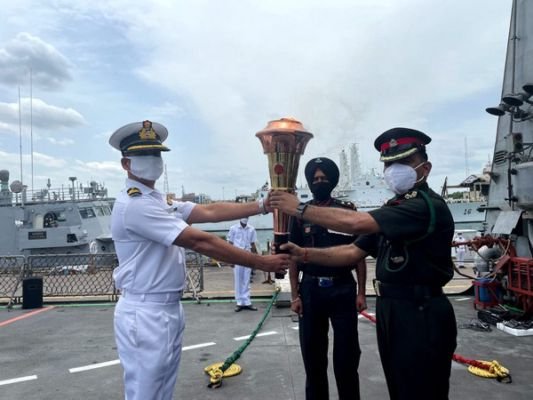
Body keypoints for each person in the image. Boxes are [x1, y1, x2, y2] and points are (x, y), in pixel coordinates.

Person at [270, 127, 457, 400]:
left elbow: (357, 223)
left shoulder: (424, 206)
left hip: (421, 310)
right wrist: (303, 254)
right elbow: (351, 252)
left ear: (425, 168)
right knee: (400, 385)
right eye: (389, 164)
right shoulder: (394, 208)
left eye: (403, 162)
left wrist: (298, 208)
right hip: (391, 308)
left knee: (422, 389)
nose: (394, 170)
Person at [108, 120, 289, 400]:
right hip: (145, 311)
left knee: (161, 389)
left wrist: (263, 205)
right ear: (126, 164)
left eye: (156, 154)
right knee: (147, 392)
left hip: (163, 308)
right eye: (144, 156)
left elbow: (209, 211)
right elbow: (200, 241)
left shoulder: (157, 200)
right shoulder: (136, 204)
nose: (153, 161)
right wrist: (263, 263)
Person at [289, 157, 367, 400]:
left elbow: (359, 255)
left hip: (343, 288)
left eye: (323, 179)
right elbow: (292, 256)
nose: (319, 182)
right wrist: (294, 295)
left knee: (347, 357)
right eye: (315, 179)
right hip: (311, 290)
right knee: (313, 359)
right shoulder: (300, 215)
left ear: (332, 181)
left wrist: (361, 292)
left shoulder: (347, 211)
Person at [227, 217, 259, 311]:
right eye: (244, 216)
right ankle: (239, 302)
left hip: (247, 255)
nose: (245, 218)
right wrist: (230, 259)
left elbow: (253, 244)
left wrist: (256, 258)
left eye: (247, 217)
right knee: (238, 279)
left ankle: (247, 301)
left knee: (246, 279)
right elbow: (230, 244)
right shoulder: (233, 228)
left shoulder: (251, 229)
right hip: (237, 255)